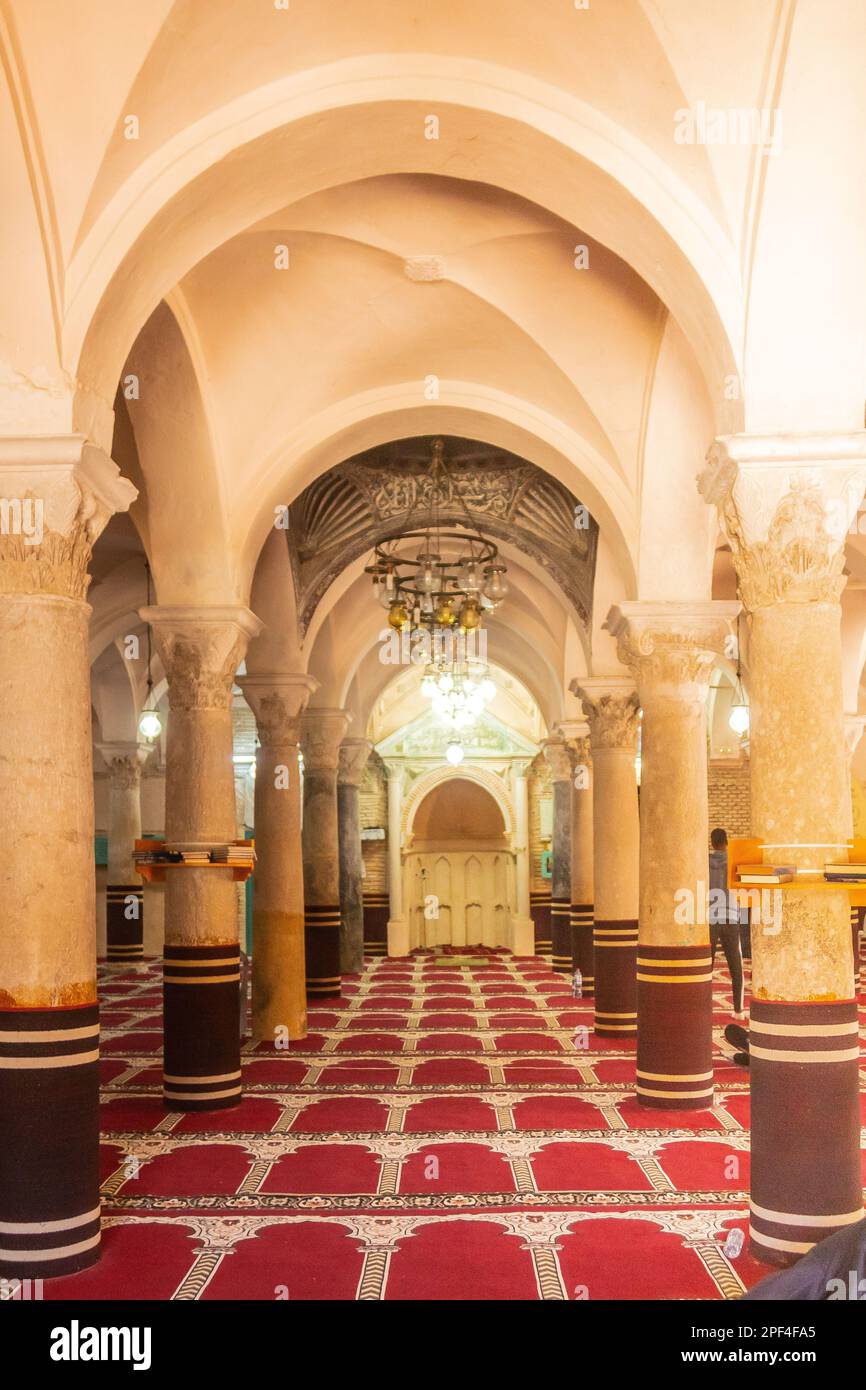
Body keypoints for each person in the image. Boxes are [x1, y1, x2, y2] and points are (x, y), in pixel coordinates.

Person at [708, 827, 745, 1018]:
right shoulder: (733, 861)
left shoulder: (705, 862)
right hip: (731, 916)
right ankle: (738, 1010)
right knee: (735, 965)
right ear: (726, 841)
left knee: (707, 965)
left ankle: (703, 1008)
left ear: (712, 842)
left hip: (710, 917)